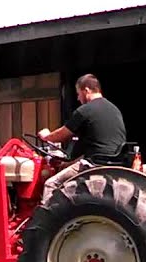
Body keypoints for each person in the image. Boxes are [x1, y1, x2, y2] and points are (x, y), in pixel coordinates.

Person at [37, 74, 127, 203]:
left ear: (86, 90)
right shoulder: (114, 109)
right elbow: (95, 144)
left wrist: (47, 136)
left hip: (94, 164)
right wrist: (67, 163)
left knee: (51, 183)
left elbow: (62, 135)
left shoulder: (85, 111)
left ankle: (46, 221)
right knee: (65, 167)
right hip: (114, 161)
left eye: (78, 93)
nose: (78, 98)